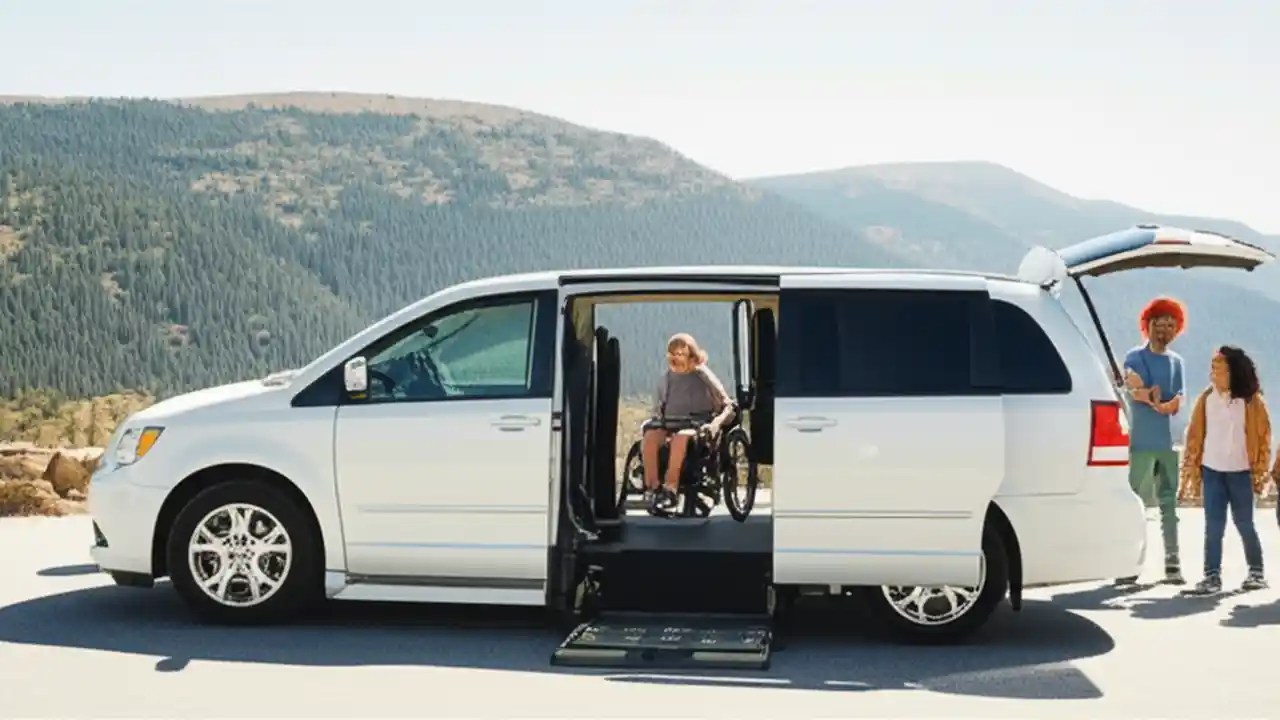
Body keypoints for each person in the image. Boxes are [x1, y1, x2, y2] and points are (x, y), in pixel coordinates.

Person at [1178, 345, 1270, 594]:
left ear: (1233, 372)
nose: (1213, 374)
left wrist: (1260, 469)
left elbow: (1263, 438)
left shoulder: (1251, 402)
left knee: (1245, 523)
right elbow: (1195, 435)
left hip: (1241, 471)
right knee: (1214, 526)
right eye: (1212, 369)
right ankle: (1211, 576)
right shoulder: (1206, 400)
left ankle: (1256, 573)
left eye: (1218, 369)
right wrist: (1191, 467)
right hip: (1212, 470)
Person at [1116, 297, 1187, 585]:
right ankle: (1128, 564)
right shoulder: (1135, 356)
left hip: (1167, 444)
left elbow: (1178, 396)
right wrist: (1153, 398)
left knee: (1170, 506)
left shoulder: (1177, 362)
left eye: (1170, 325)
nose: (1165, 330)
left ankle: (1173, 564)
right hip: (1141, 444)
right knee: (1137, 506)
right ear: (1149, 325)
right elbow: (1135, 390)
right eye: (1160, 324)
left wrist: (1165, 403)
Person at [641, 332, 734, 511]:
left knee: (680, 438)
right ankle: (652, 487)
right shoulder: (667, 378)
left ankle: (670, 488)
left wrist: (716, 423)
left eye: (680, 354)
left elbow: (727, 404)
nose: (675, 359)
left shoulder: (703, 375)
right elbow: (658, 407)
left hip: (697, 426)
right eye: (672, 354)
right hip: (669, 423)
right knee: (650, 437)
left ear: (692, 355)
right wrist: (655, 421)